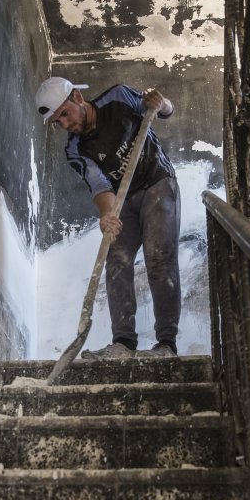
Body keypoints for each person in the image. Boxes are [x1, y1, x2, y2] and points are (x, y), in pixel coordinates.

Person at [35, 76, 181, 358]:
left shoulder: (118, 98)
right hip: (122, 198)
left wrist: (161, 103)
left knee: (159, 255)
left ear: (78, 98)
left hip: (158, 182)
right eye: (57, 122)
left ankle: (167, 343)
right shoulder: (75, 149)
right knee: (115, 260)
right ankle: (123, 343)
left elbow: (165, 110)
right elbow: (100, 186)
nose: (64, 124)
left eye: (64, 114)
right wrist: (107, 216)